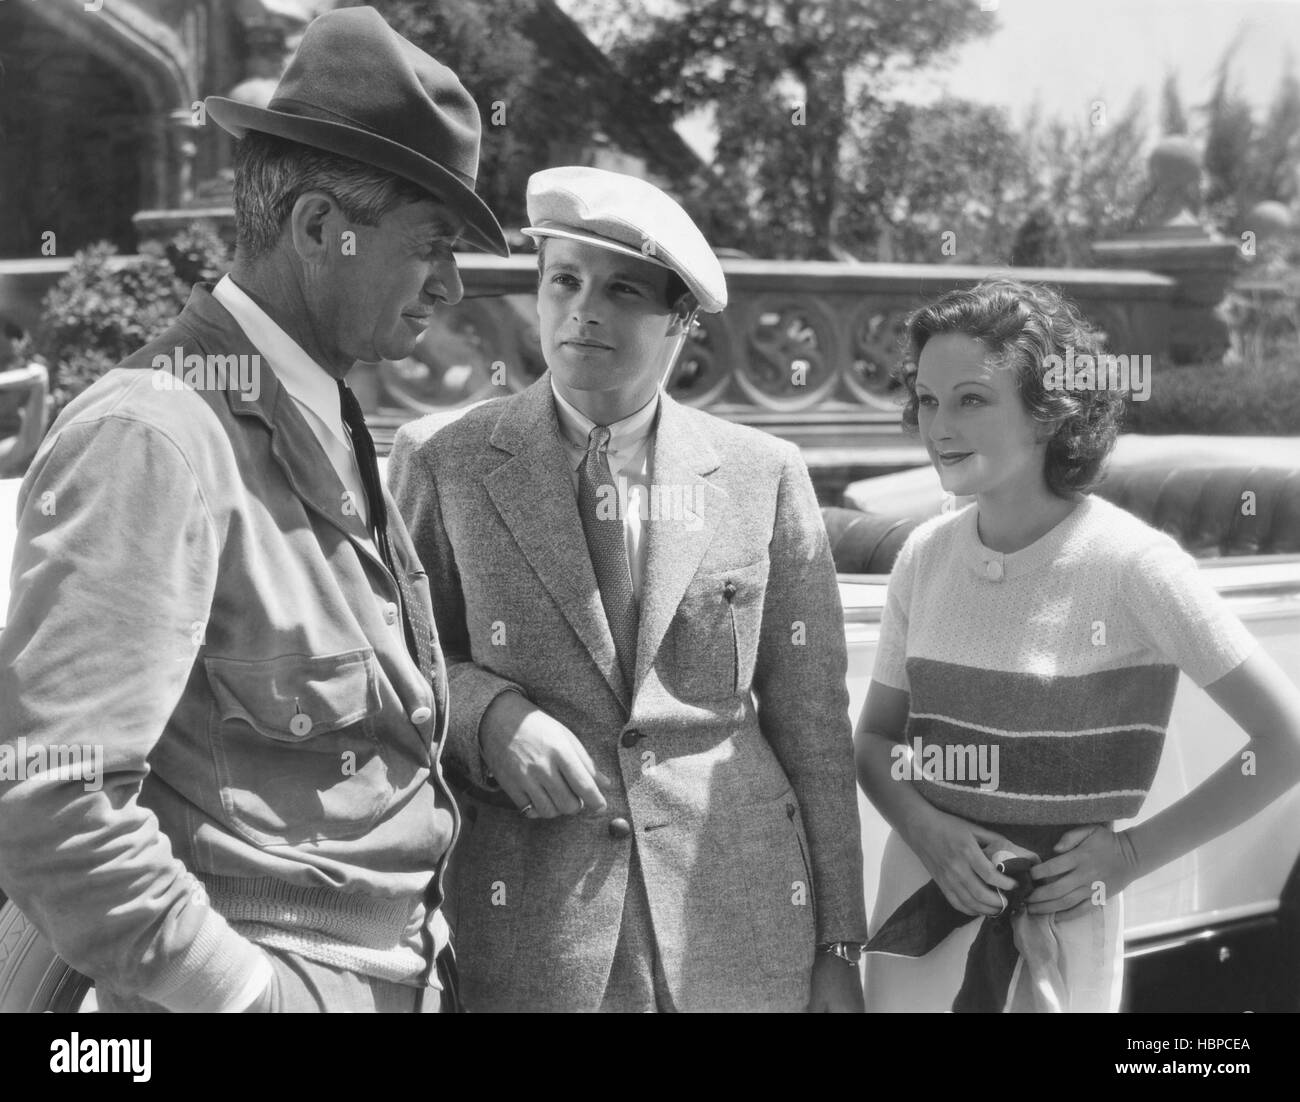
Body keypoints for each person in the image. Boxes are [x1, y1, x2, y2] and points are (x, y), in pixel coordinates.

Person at [0, 6, 509, 1013]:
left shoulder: (321, 406)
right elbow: (48, 795)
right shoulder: (155, 435)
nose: (450, 285)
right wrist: (245, 996)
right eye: (429, 245)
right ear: (322, 226)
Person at [389, 166, 868, 1012]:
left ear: (680, 319)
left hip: (739, 917)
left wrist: (837, 946)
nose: (585, 309)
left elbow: (814, 728)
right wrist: (491, 716)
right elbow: (400, 659)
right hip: (535, 926)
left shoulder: (763, 474)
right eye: (564, 280)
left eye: (622, 290)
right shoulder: (445, 459)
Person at [854, 278, 1300, 1011]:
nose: (938, 425)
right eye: (927, 400)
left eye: (970, 398)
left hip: (1062, 922)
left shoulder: (1132, 565)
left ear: (1046, 411)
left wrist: (1130, 855)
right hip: (919, 909)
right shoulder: (925, 556)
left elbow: (1286, 737)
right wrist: (927, 831)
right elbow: (874, 742)